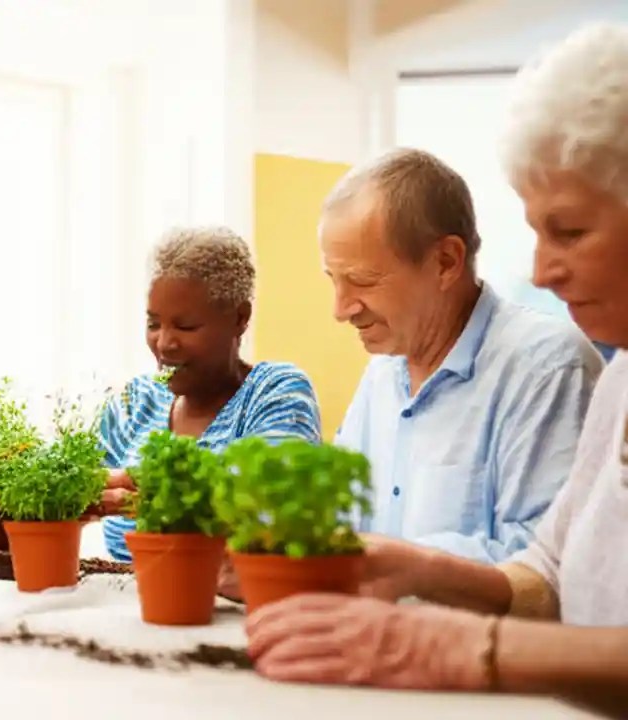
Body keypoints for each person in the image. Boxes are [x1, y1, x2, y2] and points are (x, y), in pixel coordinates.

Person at [245, 23, 628, 715]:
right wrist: (381, 563)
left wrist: (452, 643)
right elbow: (547, 569)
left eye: (569, 230)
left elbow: (546, 596)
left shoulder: (550, 363)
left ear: (446, 263)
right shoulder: (623, 378)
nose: (540, 269)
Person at [0, 226, 323, 561]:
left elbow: (275, 515)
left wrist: (153, 493)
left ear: (239, 318)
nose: (164, 343)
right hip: (130, 613)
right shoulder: (138, 402)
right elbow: (64, 484)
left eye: (186, 325)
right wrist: (10, 484)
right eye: (153, 324)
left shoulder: (274, 392)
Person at [325, 147, 603, 564]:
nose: (340, 309)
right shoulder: (382, 372)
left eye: (362, 281)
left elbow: (544, 566)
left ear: (446, 261)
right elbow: (340, 521)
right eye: (334, 280)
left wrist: (389, 564)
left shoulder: (548, 366)